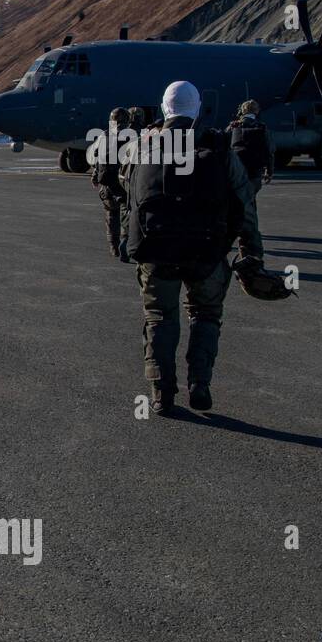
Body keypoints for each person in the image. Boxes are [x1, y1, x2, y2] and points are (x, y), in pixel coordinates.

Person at [124, 81, 263, 415]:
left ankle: (161, 393)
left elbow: (128, 188)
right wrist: (251, 252)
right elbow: (245, 202)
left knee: (160, 317)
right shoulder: (218, 147)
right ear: (197, 108)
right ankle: (200, 384)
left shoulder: (144, 146)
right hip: (207, 252)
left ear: (164, 108)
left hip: (158, 252)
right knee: (206, 315)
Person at [92, 107, 131, 259]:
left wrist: (95, 176)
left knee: (111, 215)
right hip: (123, 183)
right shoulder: (130, 136)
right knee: (126, 214)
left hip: (107, 183)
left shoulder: (104, 136)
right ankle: (125, 243)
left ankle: (113, 246)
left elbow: (96, 158)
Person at [226, 99, 274, 193]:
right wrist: (269, 172)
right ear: (257, 111)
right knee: (251, 198)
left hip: (236, 169)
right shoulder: (262, 127)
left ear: (241, 111)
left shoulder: (233, 126)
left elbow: (224, 147)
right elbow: (269, 151)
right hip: (254, 171)